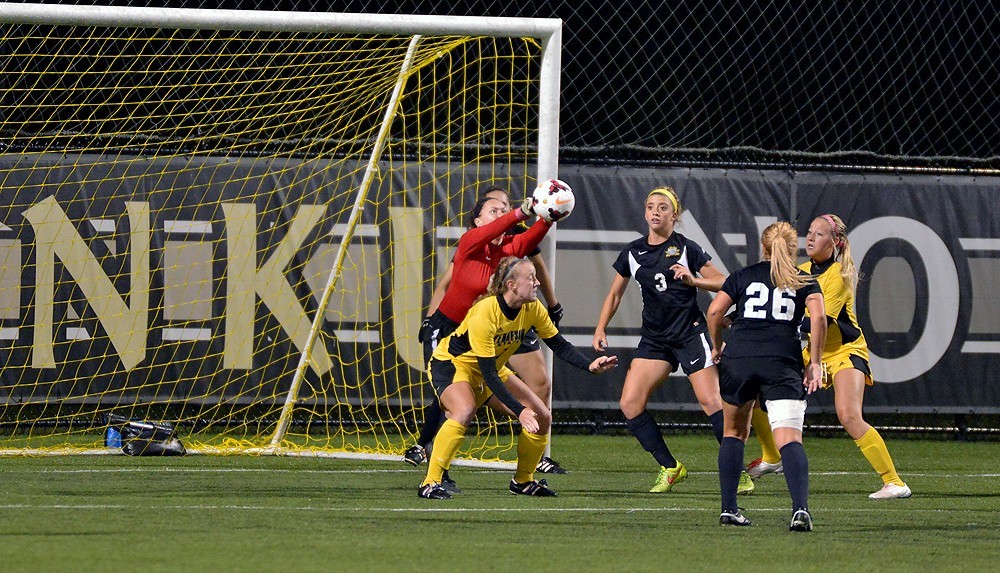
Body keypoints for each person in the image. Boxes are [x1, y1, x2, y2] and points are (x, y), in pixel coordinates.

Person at [592, 187, 753, 494]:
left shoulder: (686, 248)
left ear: (674, 215)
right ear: (644, 213)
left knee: (712, 401)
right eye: (651, 206)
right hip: (655, 340)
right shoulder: (632, 252)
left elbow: (725, 281)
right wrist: (601, 328)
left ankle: (738, 471)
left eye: (663, 207)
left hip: (690, 333)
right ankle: (670, 467)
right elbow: (615, 293)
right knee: (629, 403)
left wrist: (695, 280)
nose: (655, 211)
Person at [418, 256, 618, 499]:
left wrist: (590, 366)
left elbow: (559, 345)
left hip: (491, 367)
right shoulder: (485, 312)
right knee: (464, 409)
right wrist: (518, 410)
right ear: (512, 285)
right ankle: (430, 482)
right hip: (453, 364)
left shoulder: (532, 308)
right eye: (531, 278)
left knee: (543, 417)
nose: (537, 283)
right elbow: (489, 374)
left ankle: (523, 481)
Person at [408, 187, 567, 475]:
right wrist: (521, 212)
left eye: (504, 210)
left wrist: (548, 216)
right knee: (456, 404)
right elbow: (445, 286)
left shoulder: (505, 253)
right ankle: (433, 468)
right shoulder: (469, 243)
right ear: (478, 221)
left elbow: (529, 241)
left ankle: (526, 467)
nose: (501, 214)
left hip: (484, 333)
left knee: (485, 400)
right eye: (493, 211)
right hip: (448, 333)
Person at [706, 221, 827, 531]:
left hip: (740, 359)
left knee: (734, 433)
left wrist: (718, 346)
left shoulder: (743, 276)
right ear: (793, 249)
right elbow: (819, 318)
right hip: (781, 361)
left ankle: (729, 509)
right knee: (788, 439)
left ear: (763, 247)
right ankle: (800, 510)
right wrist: (814, 362)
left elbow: (715, 312)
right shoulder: (805, 280)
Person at [795, 213, 910, 500]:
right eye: (809, 232)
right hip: (813, 352)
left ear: (835, 242)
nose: (810, 238)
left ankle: (894, 482)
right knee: (761, 394)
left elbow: (819, 322)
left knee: (848, 415)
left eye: (819, 234)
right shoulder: (800, 270)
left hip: (845, 351)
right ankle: (774, 456)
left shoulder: (838, 275)